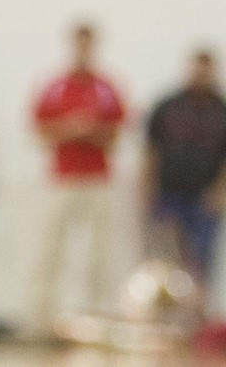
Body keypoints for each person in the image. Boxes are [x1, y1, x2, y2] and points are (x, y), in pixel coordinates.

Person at [29, 21, 127, 332]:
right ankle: (41, 322)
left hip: (97, 178)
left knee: (99, 253)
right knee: (49, 250)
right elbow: (41, 133)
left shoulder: (107, 88)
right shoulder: (56, 87)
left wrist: (90, 131)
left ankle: (96, 320)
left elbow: (114, 136)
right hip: (63, 178)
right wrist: (71, 128)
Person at [146, 49, 226, 319]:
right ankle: (165, 317)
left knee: (201, 259)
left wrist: (220, 191)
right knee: (165, 259)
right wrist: (147, 191)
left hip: (203, 197)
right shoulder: (167, 106)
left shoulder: (221, 109)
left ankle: (198, 318)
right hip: (168, 194)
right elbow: (151, 151)